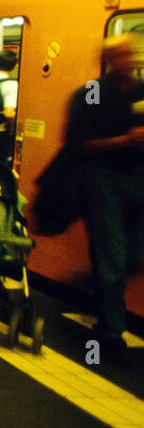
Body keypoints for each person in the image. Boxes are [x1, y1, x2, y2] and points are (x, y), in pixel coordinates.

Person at [65, 32, 144, 363]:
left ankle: (98, 281)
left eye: (134, 54)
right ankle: (110, 332)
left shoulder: (142, 90)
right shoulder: (93, 93)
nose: (132, 60)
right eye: (124, 55)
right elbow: (80, 143)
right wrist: (126, 141)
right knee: (112, 255)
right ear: (111, 59)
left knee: (135, 256)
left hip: (139, 180)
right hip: (104, 182)